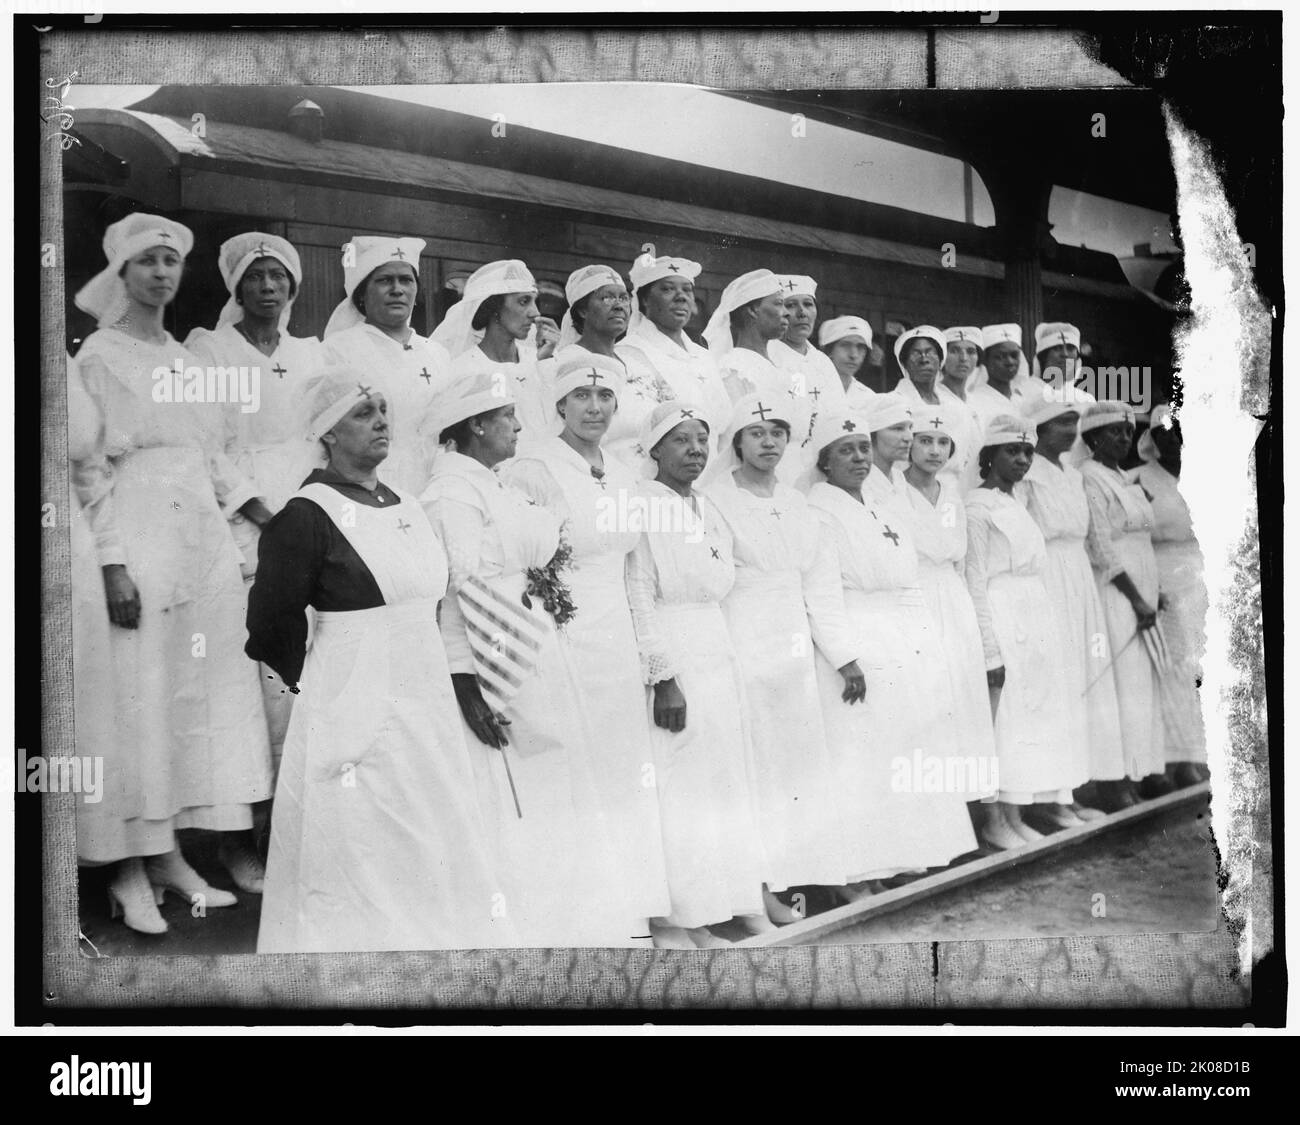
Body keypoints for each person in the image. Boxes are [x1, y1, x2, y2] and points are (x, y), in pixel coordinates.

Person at [247, 368, 513, 952]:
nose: (381, 423)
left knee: (433, 825)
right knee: (363, 832)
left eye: (384, 411)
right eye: (363, 414)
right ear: (328, 435)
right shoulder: (304, 516)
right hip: (352, 691)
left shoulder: (410, 505)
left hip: (425, 692)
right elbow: (271, 626)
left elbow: (435, 599)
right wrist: (322, 696)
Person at [70, 213, 273, 933]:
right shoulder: (99, 354)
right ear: (121, 273)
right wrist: (114, 562)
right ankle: (126, 866)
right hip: (142, 525)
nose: (161, 273)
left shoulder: (192, 361)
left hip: (204, 539)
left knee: (200, 693)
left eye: (170, 261)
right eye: (147, 262)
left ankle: (170, 854)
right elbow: (92, 468)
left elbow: (215, 454)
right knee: (140, 694)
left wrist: (262, 515)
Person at [421, 370, 628, 946]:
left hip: (530, 636)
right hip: (495, 654)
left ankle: (571, 917)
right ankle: (535, 924)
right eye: (507, 416)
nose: (516, 425)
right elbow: (453, 591)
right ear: (477, 425)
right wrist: (465, 679)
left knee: (555, 775)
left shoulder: (489, 483)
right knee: (522, 783)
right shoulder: (451, 494)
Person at [503, 353, 672, 942]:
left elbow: (634, 572)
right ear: (560, 407)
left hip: (615, 640)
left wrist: (653, 658)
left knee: (624, 768)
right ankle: (578, 915)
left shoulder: (624, 476)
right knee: (571, 769)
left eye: (604, 399)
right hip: (559, 635)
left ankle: (631, 910)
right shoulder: (532, 470)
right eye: (582, 398)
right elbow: (519, 566)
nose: (595, 409)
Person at [804, 408, 979, 898]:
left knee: (903, 748)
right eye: (846, 450)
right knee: (862, 756)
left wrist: (924, 641)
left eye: (863, 447)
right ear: (824, 462)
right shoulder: (820, 512)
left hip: (900, 634)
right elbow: (821, 594)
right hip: (856, 639)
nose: (859, 457)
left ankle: (905, 853)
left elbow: (908, 578)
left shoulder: (881, 503)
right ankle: (859, 872)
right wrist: (844, 657)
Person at [705, 393, 858, 926]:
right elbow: (715, 583)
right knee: (757, 768)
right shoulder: (716, 501)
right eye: (757, 433)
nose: (768, 443)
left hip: (794, 645)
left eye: (778, 435)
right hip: (745, 639)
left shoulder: (798, 503)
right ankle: (761, 890)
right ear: (738, 442)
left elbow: (818, 581)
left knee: (797, 766)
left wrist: (842, 655)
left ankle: (803, 881)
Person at [625, 402, 766, 948]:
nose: (694, 452)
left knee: (726, 779)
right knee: (682, 784)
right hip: (674, 647)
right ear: (654, 450)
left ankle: (735, 900)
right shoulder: (641, 505)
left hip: (715, 644)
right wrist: (664, 677)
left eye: (702, 441)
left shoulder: (707, 506)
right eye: (681, 441)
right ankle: (686, 917)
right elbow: (638, 591)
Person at [185, 232, 321, 769]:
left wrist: (313, 509)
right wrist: (259, 510)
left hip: (310, 511)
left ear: (292, 286)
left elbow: (327, 431)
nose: (267, 286)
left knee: (316, 646)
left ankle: (305, 792)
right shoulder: (210, 350)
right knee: (264, 655)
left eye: (278, 276)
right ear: (236, 286)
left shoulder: (311, 353)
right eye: (255, 276)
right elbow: (206, 444)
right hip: (246, 519)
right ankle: (260, 805)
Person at [964, 415, 1090, 848]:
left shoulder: (1017, 502)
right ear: (989, 457)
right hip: (1002, 615)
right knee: (1004, 718)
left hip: (1032, 614)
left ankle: (1017, 814)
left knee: (1029, 718)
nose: (1021, 459)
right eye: (1011, 451)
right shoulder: (976, 507)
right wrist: (989, 649)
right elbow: (975, 580)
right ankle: (995, 819)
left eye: (1026, 452)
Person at [1016, 386, 1125, 817]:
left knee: (1085, 681)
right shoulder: (1027, 475)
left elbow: (1091, 536)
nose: (1071, 430)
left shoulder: (1072, 473)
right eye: (1062, 422)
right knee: (1056, 683)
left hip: (1079, 576)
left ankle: (1078, 788)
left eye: (1073, 421)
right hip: (1048, 579)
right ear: (1040, 427)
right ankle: (1052, 798)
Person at [898, 403, 1000, 816]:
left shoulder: (954, 496)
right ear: (910, 445)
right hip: (916, 597)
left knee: (964, 701)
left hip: (953, 601)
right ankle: (933, 814)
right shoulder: (890, 494)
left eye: (943, 442)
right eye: (925, 440)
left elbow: (961, 562)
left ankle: (969, 814)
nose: (934, 451)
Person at [1080, 400, 1170, 798]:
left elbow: (1142, 537)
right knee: (1124, 682)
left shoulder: (1125, 477)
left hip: (1144, 585)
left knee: (1144, 683)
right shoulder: (1090, 477)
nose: (1124, 437)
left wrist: (1154, 591)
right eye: (1115, 431)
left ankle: (1144, 768)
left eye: (1128, 431)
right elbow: (1102, 546)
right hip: (1117, 590)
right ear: (1094, 437)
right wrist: (1136, 599)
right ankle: (1117, 780)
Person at [319, 235, 451, 495]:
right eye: (384, 280)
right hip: (377, 481)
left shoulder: (437, 352)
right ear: (362, 293)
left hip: (439, 481)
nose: (397, 289)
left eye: (406, 280)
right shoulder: (339, 350)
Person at [1135, 406, 1209, 786]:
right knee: (1172, 667)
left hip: (1200, 572)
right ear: (1153, 439)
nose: (1173, 439)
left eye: (1178, 430)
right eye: (1164, 433)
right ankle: (1174, 761)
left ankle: (1200, 754)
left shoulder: (1205, 471)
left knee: (1201, 666)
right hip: (1161, 575)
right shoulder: (1138, 479)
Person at [431, 258, 561, 450]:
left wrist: (547, 363)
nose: (535, 313)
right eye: (523, 302)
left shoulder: (540, 360)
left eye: (535, 302)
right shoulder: (464, 369)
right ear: (494, 308)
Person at [552, 263, 673, 469]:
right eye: (607, 297)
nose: (619, 306)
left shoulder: (637, 363)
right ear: (582, 310)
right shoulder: (566, 363)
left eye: (624, 298)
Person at [705, 269, 813, 484]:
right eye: (778, 304)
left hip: (797, 476)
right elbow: (733, 441)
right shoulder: (734, 370)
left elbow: (802, 421)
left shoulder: (790, 370)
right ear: (753, 310)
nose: (788, 313)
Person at [616, 253, 731, 429]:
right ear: (645, 299)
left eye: (687, 290)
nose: (681, 297)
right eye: (668, 289)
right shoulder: (628, 354)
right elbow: (636, 426)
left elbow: (725, 422)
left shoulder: (703, 355)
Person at [892, 325, 980, 487]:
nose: (924, 359)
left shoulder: (958, 407)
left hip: (955, 491)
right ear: (904, 362)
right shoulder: (893, 404)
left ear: (941, 360)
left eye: (930, 352)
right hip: (908, 489)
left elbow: (970, 455)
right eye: (916, 353)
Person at [768, 273, 844, 410]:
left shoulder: (822, 362)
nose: (802, 312)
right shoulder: (769, 357)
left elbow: (839, 409)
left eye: (808, 304)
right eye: (791, 305)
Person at [1033, 321, 1096, 466]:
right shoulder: (1025, 393)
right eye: (1057, 348)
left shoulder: (1086, 399)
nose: (1065, 354)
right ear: (1043, 356)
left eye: (1071, 348)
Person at [863, 391, 914, 512]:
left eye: (910, 428)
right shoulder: (863, 483)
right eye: (898, 429)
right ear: (872, 434)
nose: (909, 437)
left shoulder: (898, 478)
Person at [817, 316, 878, 410]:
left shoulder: (869, 397)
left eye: (860, 347)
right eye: (845, 345)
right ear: (829, 350)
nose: (854, 355)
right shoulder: (809, 386)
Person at [941, 325, 982, 403]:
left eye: (971, 352)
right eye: (954, 351)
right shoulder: (934, 397)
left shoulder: (977, 402)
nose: (963, 358)